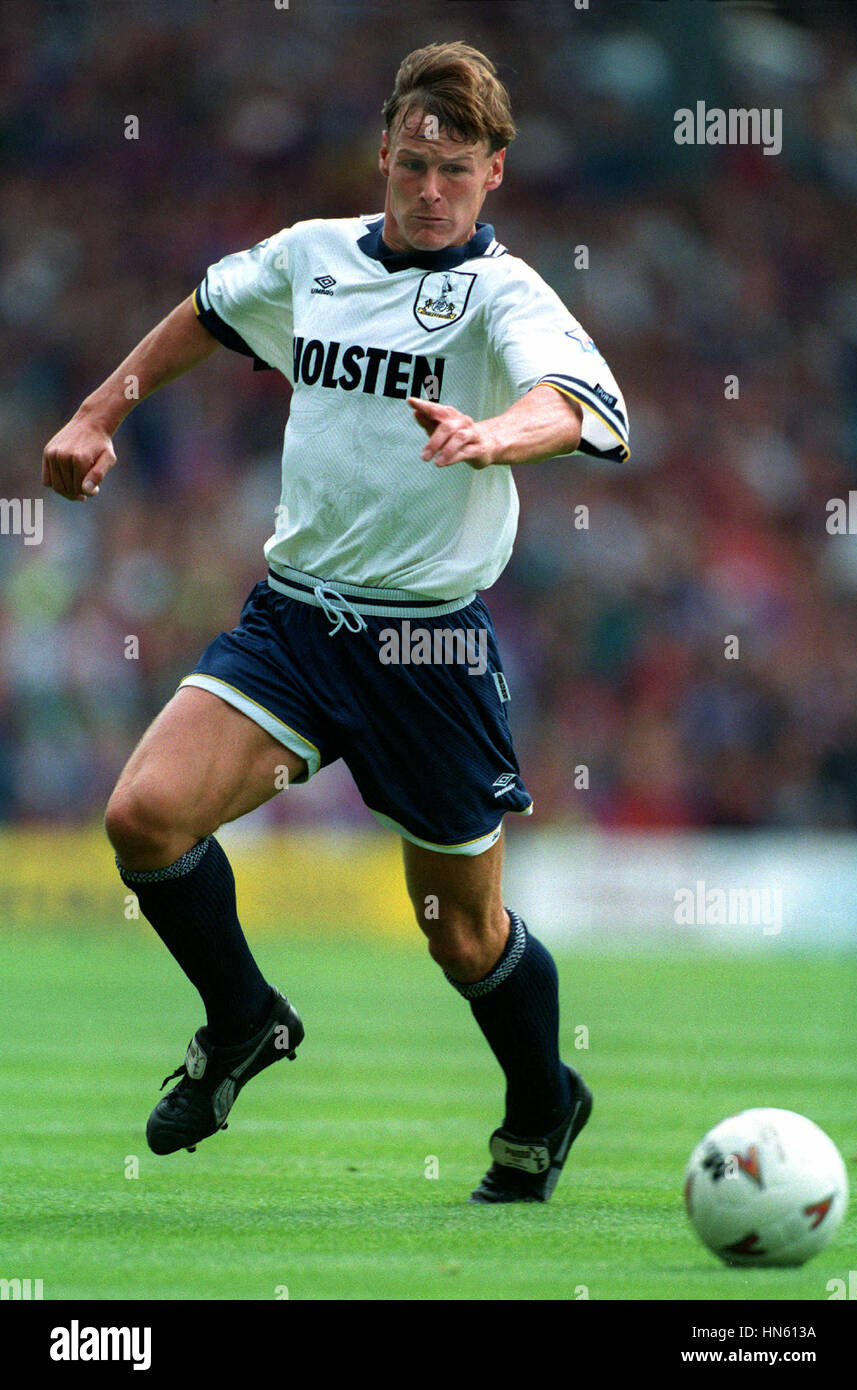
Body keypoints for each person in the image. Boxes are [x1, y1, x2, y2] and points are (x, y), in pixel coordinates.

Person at [42, 41, 629, 1202]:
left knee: (460, 937)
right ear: (384, 154)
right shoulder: (312, 258)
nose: (427, 190)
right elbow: (210, 308)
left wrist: (492, 435)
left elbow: (570, 401)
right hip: (297, 624)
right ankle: (245, 1019)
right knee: (144, 817)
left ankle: (539, 1104)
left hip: (427, 645)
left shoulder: (504, 293)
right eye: (412, 164)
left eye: (453, 170)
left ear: (494, 172)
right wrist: (100, 410)